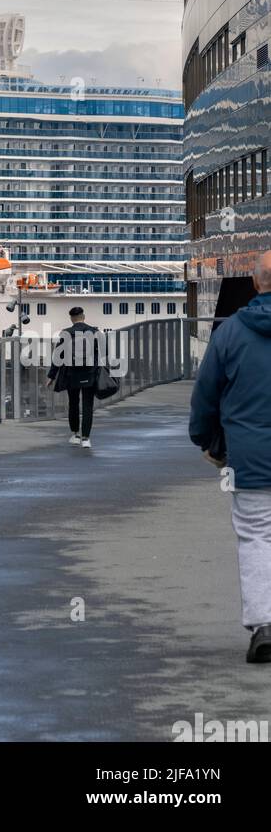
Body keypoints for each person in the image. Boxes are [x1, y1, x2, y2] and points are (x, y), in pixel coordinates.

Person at [190, 252, 271, 664]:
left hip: (252, 457)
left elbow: (205, 394)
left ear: (255, 284)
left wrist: (204, 438)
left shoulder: (231, 333)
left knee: (257, 536)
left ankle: (264, 625)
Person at [48, 306, 100, 448]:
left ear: (71, 318)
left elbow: (58, 356)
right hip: (89, 373)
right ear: (84, 316)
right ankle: (86, 439)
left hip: (71, 373)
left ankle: (76, 434)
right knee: (88, 405)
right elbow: (103, 353)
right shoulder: (94, 331)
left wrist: (51, 376)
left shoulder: (66, 333)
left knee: (74, 403)